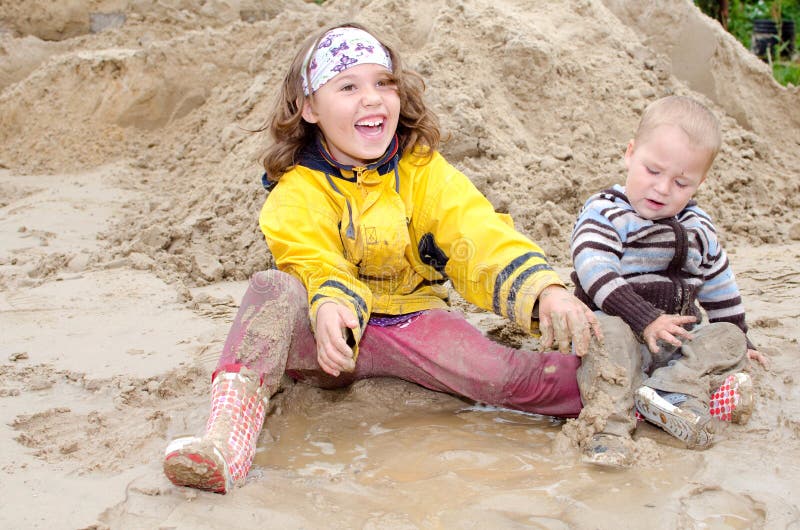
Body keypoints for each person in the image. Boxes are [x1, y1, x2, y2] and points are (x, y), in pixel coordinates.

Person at [162, 23, 602, 494]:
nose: (371, 98)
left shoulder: (423, 171)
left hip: (415, 325)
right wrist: (329, 303)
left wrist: (544, 291)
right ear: (309, 108)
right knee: (273, 290)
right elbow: (309, 255)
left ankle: (622, 387)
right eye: (348, 86)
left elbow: (477, 234)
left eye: (383, 83)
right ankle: (228, 437)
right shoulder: (297, 189)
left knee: (508, 376)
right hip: (326, 337)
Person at [570, 95, 769, 467]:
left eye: (680, 182)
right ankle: (609, 429)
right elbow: (594, 270)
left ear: (700, 182)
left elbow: (720, 283)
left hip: (674, 342)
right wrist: (645, 319)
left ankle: (671, 390)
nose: (662, 189)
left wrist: (743, 337)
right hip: (619, 332)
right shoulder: (607, 213)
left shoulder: (699, 227)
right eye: (652, 170)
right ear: (630, 153)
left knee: (730, 338)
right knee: (605, 330)